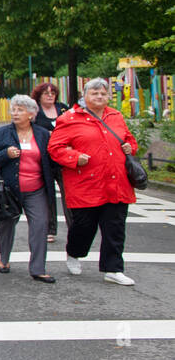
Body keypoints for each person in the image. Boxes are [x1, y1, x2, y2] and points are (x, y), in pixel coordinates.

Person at [47, 78, 140, 286]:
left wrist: (129, 147)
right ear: (85, 95)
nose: (99, 97)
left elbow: (129, 140)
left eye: (103, 93)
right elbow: (55, 148)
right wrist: (74, 158)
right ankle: (74, 253)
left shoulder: (115, 116)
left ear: (108, 96)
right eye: (94, 93)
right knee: (84, 226)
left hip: (116, 183)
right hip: (85, 184)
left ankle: (113, 268)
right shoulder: (70, 118)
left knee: (115, 228)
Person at [0, 95, 56, 282]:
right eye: (13, 109)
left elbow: (50, 160)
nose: (15, 113)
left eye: (20, 110)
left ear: (31, 114)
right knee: (6, 226)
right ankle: (4, 259)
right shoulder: (1, 133)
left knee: (40, 226)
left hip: (36, 189)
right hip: (8, 189)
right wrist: (6, 154)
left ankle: (38, 268)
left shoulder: (42, 133)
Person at [31, 81, 70, 242]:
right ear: (39, 96)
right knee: (47, 195)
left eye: (52, 93)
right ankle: (50, 229)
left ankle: (73, 226)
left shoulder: (63, 109)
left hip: (64, 158)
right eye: (46, 93)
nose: (49, 96)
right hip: (44, 158)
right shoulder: (34, 111)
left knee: (68, 194)